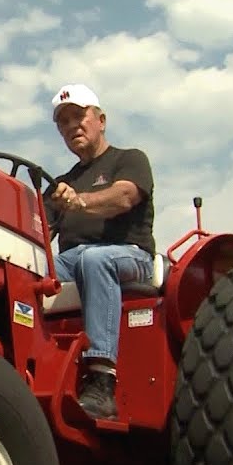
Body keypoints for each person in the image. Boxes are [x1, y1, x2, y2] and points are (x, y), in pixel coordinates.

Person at [43, 83, 156, 421]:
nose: (72, 126)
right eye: (63, 122)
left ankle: (101, 380)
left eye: (79, 116)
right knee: (29, 273)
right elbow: (40, 233)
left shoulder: (129, 159)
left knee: (95, 259)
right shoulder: (60, 182)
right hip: (72, 260)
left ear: (101, 120)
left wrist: (79, 201)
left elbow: (124, 197)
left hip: (130, 255)